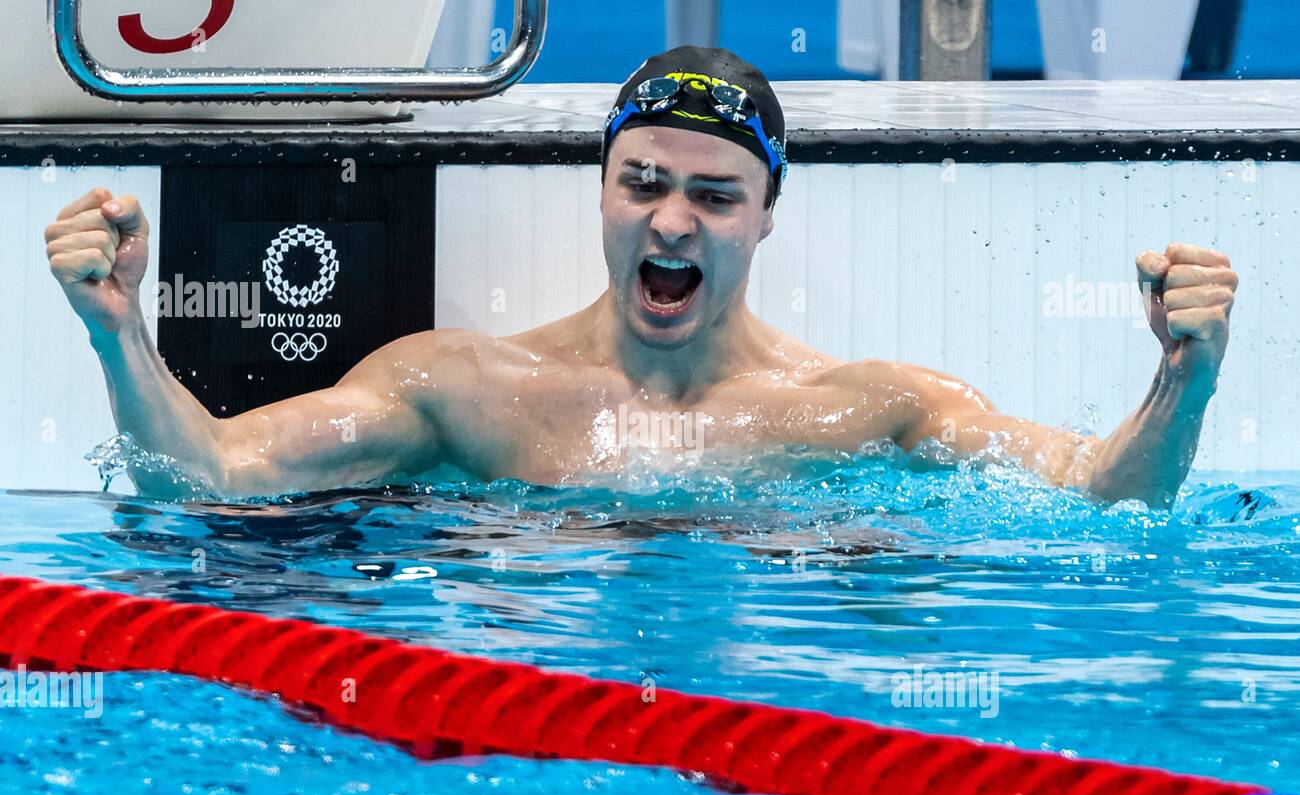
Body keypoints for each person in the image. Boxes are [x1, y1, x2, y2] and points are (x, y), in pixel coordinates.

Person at [44, 47, 1237, 507]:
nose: (672, 221)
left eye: (715, 198)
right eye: (643, 183)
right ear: (604, 193)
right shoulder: (461, 386)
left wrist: (1182, 378)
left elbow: (1105, 501)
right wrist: (119, 334)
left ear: (765, 220)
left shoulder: (870, 407)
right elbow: (205, 476)